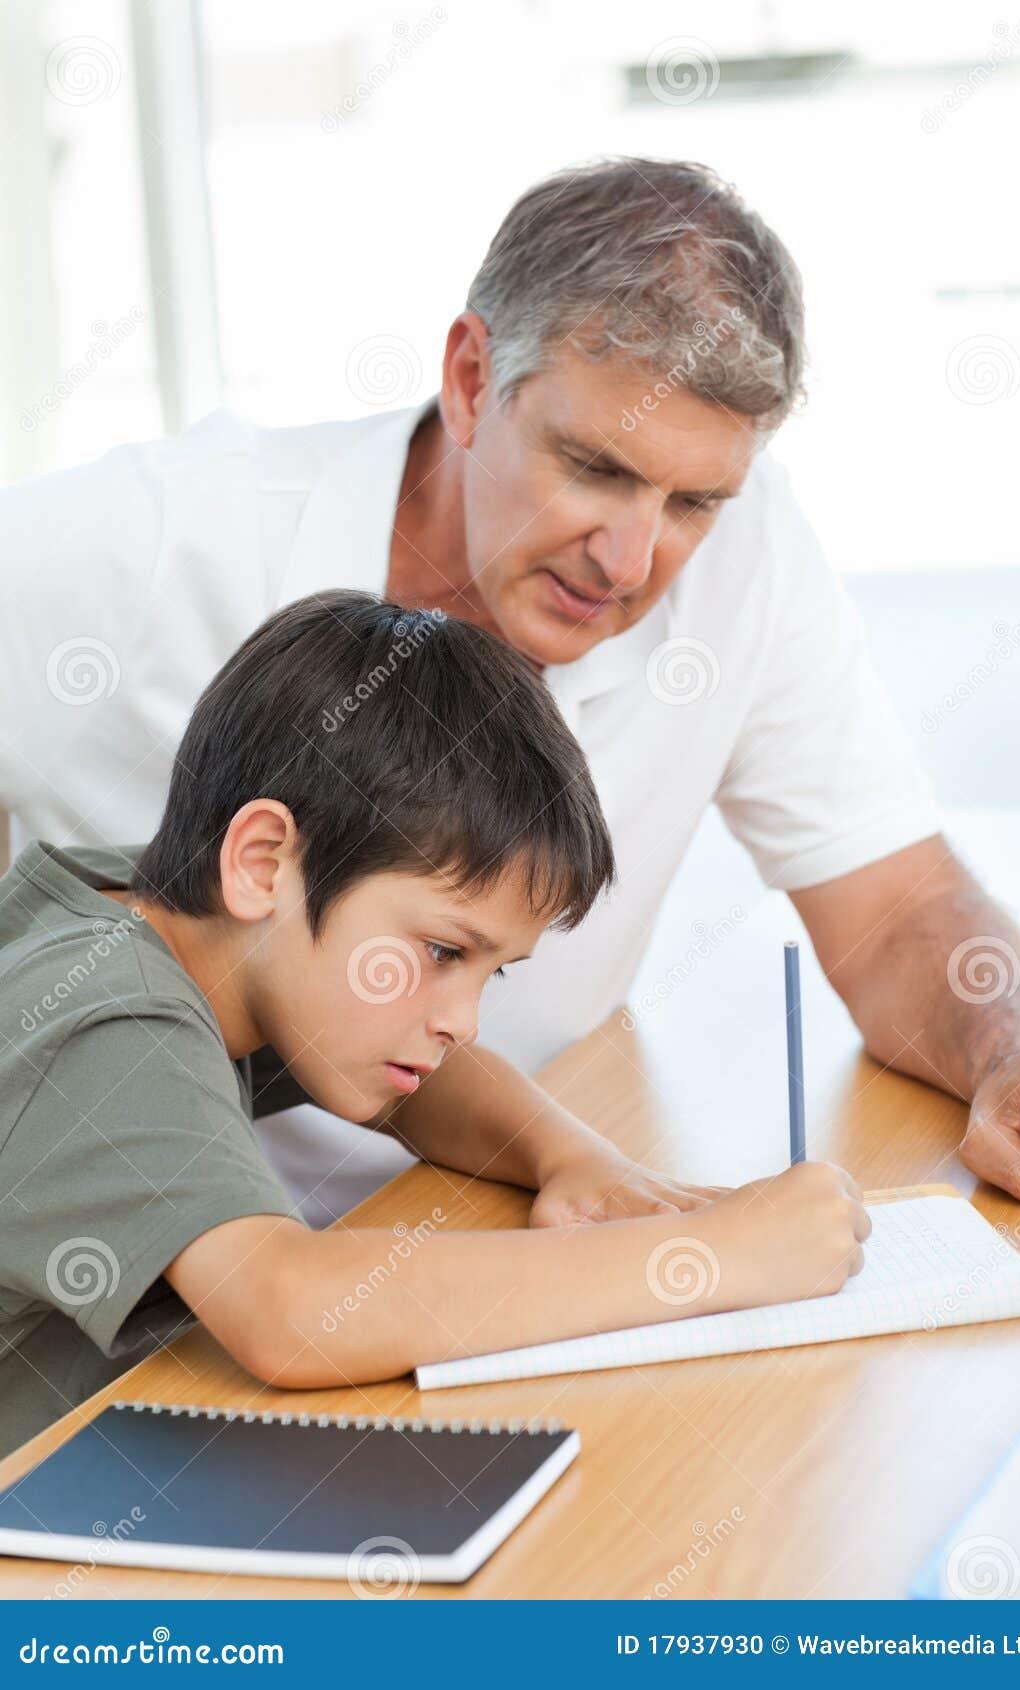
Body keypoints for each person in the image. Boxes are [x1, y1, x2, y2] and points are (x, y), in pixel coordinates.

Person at [2, 157, 1020, 1219]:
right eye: (593, 467)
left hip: (506, 1202)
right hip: (199, 1294)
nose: (631, 558)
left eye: (692, 500)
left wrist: (1014, 1049)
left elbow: (895, 908)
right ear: (470, 379)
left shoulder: (748, 550)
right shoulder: (156, 539)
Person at [0, 591, 869, 1458]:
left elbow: (427, 1085)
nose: (462, 1023)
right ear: (262, 860)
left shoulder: (187, 920)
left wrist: (573, 1162)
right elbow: (290, 1309)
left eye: (492, 973)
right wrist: (712, 1257)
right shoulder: (103, 1023)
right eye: (445, 952)